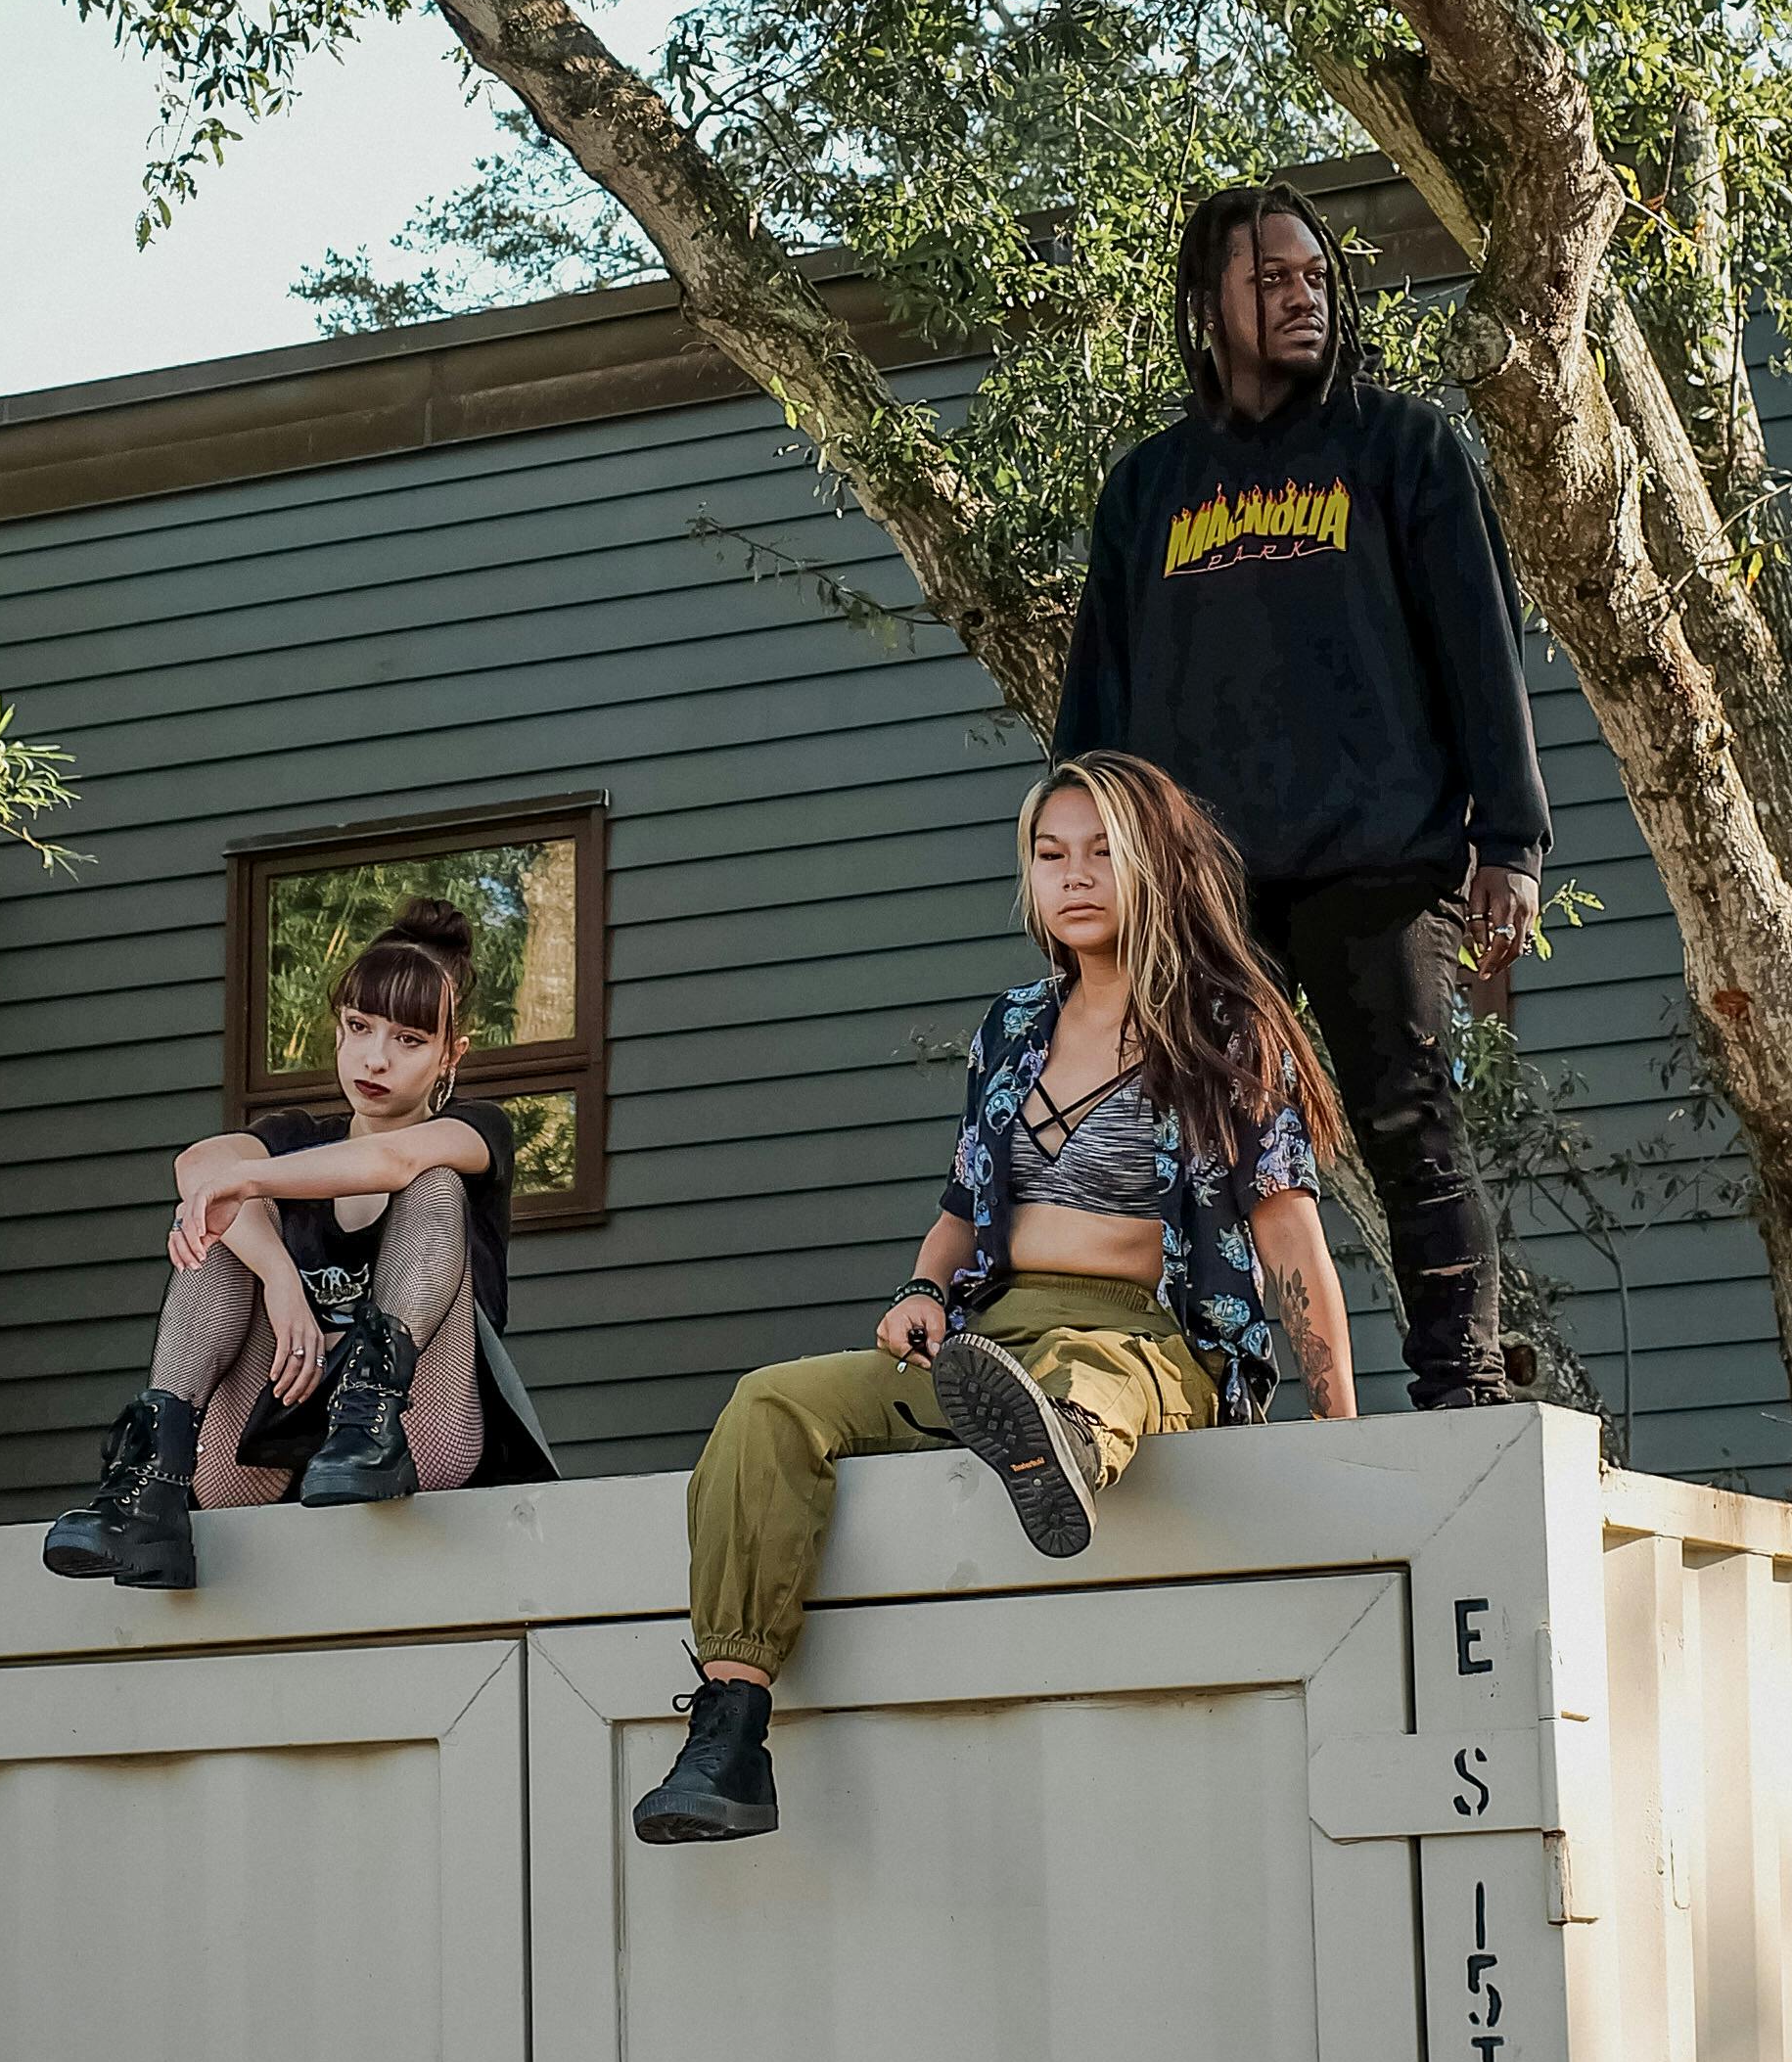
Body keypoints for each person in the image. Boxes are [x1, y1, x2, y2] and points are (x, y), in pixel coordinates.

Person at [631, 754, 1355, 1844]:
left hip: (1148, 1337)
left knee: (1078, 1380)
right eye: (1049, 854)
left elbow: (1287, 1233)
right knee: (770, 1404)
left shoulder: (1222, 1027)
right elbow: (966, 1205)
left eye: (1103, 852)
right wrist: (923, 1288)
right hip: (988, 1333)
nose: (1074, 877)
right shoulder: (1012, 1028)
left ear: (1156, 865)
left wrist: (1336, 1429)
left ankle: (1051, 1443)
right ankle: (730, 1732)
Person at [1052, 180, 1550, 1412]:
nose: (1301, 295)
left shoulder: (1405, 451)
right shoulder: (1146, 490)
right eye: (1270, 277)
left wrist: (1513, 843)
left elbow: (1483, 654)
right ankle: (1220, 1389)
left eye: (1316, 276)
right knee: (1205, 1151)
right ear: (1205, 302)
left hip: (1378, 861)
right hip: (1201, 892)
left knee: (1406, 1123)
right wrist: (1081, 871)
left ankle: (1462, 1386)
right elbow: (1092, 718)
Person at [41, 895, 554, 1591]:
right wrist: (279, 1277)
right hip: (260, 1441)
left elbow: (391, 1164)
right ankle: (150, 1487)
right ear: (337, 1031)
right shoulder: (293, 1139)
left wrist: (248, 1181)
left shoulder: (476, 1129)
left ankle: (366, 1422)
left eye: (409, 1039)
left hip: (415, 1431)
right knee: (219, 1227)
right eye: (359, 1026)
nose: (376, 1058)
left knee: (431, 1186)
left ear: (449, 1056)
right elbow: (195, 1167)